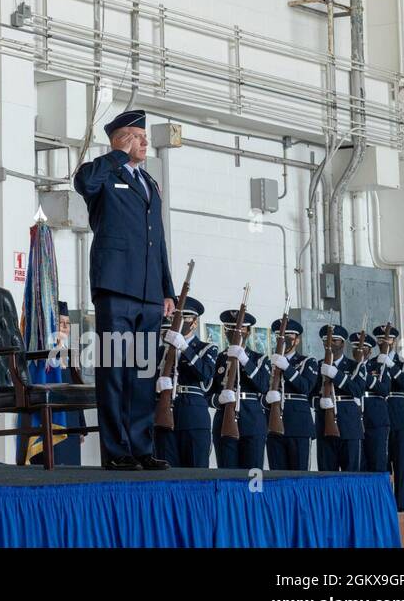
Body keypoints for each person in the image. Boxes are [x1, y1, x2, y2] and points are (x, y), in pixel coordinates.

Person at [73, 109, 175, 471]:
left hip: (148, 292)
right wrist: (117, 153)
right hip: (115, 287)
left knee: (142, 372)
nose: (144, 142)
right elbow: (83, 183)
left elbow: (157, 240)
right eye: (136, 135)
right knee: (115, 370)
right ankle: (117, 451)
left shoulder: (150, 184)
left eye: (145, 136)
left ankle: (140, 448)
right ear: (118, 138)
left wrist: (167, 289)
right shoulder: (102, 174)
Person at [151, 296, 217, 468]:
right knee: (167, 471)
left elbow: (206, 374)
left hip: (193, 417)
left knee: (196, 471)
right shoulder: (160, 351)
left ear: (194, 322)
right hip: (165, 414)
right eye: (174, 317)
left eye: (184, 317)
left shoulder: (206, 348)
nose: (177, 321)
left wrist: (184, 348)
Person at [27, 301, 87, 466]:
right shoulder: (43, 354)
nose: (64, 327)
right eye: (60, 323)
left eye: (67, 324)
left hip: (71, 422)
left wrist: (81, 427)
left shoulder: (72, 355)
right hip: (52, 420)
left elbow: (78, 391)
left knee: (72, 470)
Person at [209, 310, 270, 469]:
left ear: (248, 331)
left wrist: (244, 360)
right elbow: (207, 393)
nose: (235, 332)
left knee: (253, 475)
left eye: (240, 329)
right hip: (224, 420)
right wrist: (218, 399)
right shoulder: (219, 358)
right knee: (227, 474)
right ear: (225, 331)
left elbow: (263, 385)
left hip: (252, 422)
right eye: (230, 328)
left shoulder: (259, 359)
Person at [264, 318, 319, 471]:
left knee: (300, 475)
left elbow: (306, 387)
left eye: (289, 336)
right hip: (273, 424)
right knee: (277, 476)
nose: (284, 341)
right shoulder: (269, 363)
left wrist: (287, 368)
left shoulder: (308, 361)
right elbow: (261, 390)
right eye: (280, 337)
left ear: (297, 341)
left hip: (298, 426)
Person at [314, 324, 367, 472]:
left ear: (342, 343)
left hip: (349, 427)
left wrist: (336, 375)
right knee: (327, 475)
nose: (329, 344)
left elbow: (358, 390)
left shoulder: (355, 366)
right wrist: (320, 402)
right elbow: (309, 395)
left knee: (351, 474)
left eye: (334, 340)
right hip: (324, 425)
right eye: (326, 340)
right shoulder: (318, 366)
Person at [372, 324, 404, 510]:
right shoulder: (372, 363)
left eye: (387, 340)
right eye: (380, 340)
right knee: (383, 463)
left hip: (399, 418)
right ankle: (384, 504)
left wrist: (391, 365)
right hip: (379, 418)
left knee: (400, 464)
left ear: (394, 341)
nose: (383, 343)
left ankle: (400, 505)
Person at [361, 332, 391, 474]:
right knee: (361, 465)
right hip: (357, 421)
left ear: (370, 351)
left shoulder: (379, 366)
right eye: (357, 347)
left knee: (377, 463)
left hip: (376, 420)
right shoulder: (350, 366)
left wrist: (365, 377)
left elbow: (385, 390)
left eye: (364, 348)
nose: (361, 351)